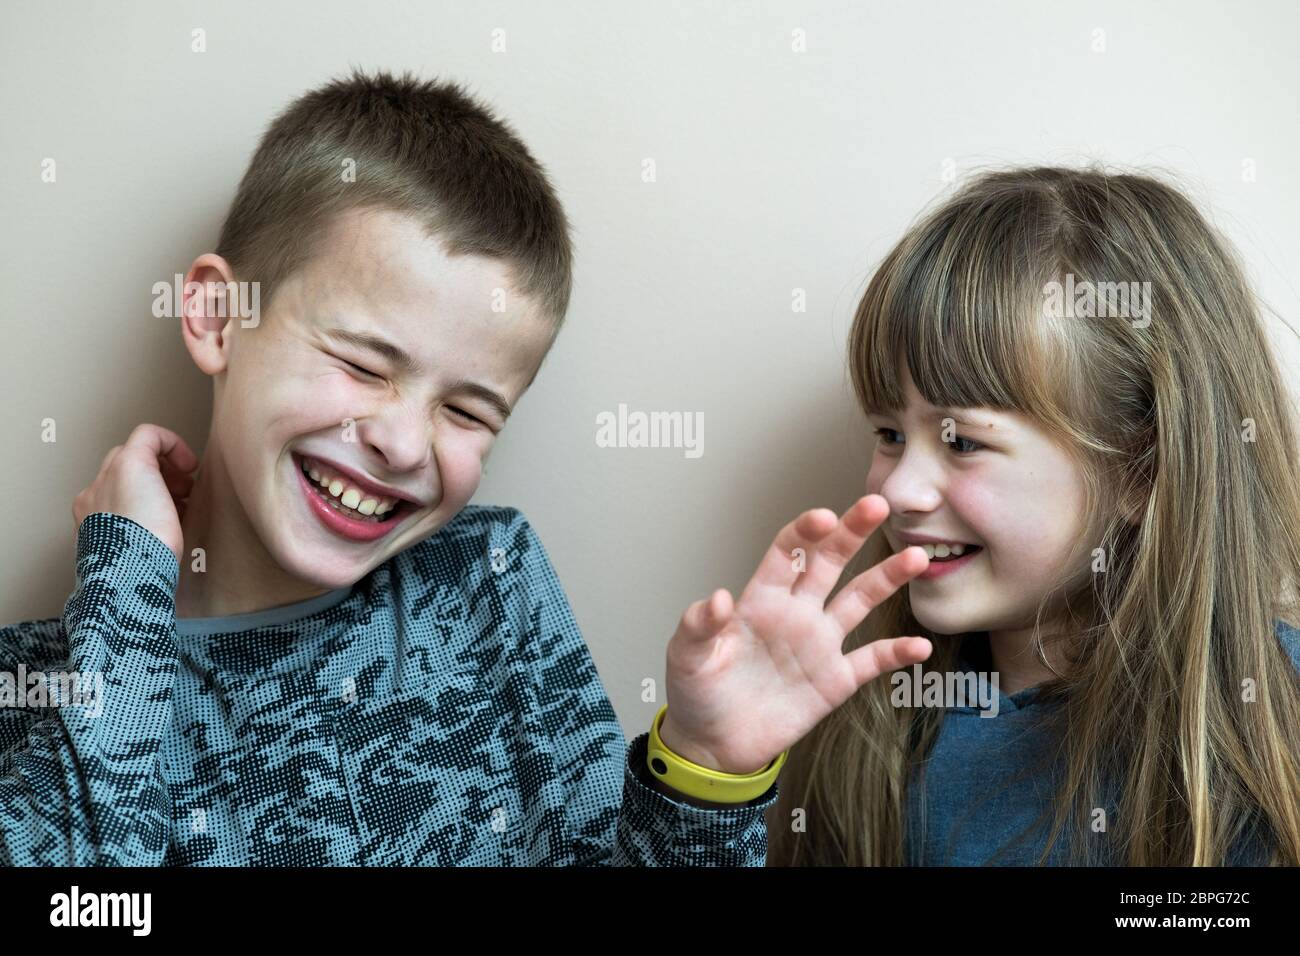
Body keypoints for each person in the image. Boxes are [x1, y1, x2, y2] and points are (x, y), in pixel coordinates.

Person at [767, 165, 1300, 866]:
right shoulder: (872, 730)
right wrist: (715, 770)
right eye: (890, 434)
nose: (898, 491)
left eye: (963, 441)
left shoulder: (1273, 723)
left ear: (1140, 470)